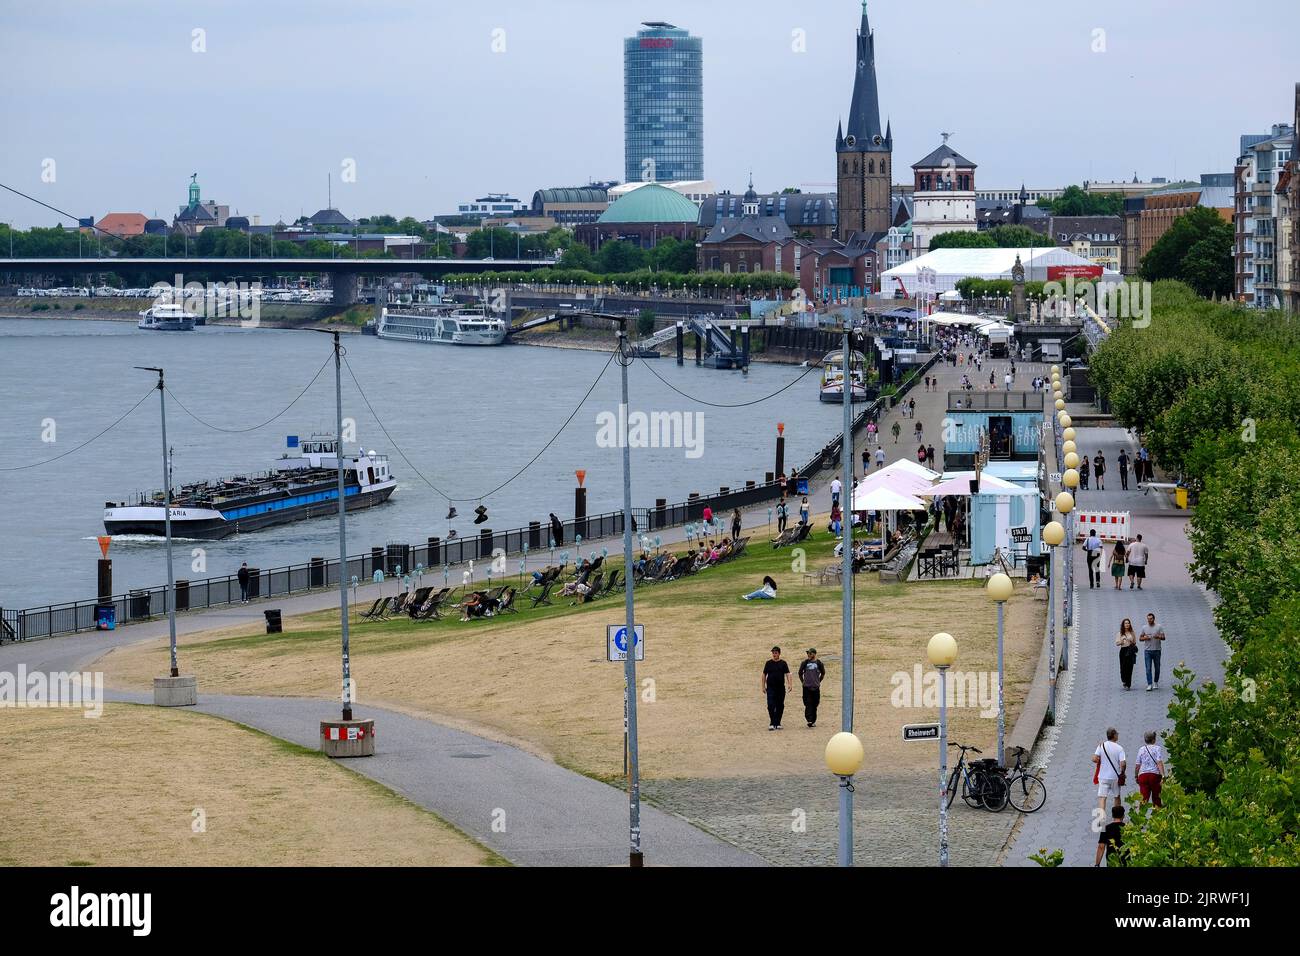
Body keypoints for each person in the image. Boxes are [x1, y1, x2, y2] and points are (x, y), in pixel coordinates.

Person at [1093, 727, 1126, 814]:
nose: (1118, 735)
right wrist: (1122, 772)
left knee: (1102, 797)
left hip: (1103, 776)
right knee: (1117, 796)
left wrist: (1099, 759)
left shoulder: (1101, 745)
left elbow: (1094, 758)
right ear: (1114, 735)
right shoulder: (1119, 748)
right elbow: (1123, 764)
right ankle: (1117, 816)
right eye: (1117, 734)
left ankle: (1100, 818)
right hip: (1115, 777)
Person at [761, 646, 791, 730]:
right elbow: (764, 674)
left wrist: (790, 684)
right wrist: (763, 686)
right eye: (773, 653)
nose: (774, 654)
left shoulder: (783, 663)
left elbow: (788, 674)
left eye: (776, 653)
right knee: (770, 705)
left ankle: (778, 722)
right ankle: (772, 722)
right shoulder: (768, 663)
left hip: (780, 688)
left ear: (779, 654)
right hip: (770, 688)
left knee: (780, 705)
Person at [1135, 731, 1166, 807]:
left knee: (1143, 798)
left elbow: (1137, 765)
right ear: (1154, 740)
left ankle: (1141, 815)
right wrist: (1163, 775)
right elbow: (1159, 762)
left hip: (1143, 776)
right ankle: (1157, 816)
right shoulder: (1157, 748)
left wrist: (1136, 776)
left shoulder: (1141, 749)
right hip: (1154, 776)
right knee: (1156, 798)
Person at [798, 648, 826, 728]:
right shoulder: (804, 663)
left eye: (810, 653)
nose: (808, 655)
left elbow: (823, 673)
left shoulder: (819, 663)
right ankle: (809, 720)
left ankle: (813, 720)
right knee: (808, 703)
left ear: (814, 654)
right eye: (808, 654)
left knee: (815, 703)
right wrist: (803, 682)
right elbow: (800, 673)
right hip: (806, 687)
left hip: (816, 687)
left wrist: (818, 681)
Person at [1139, 611, 1165, 690]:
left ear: (1154, 619)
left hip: (1157, 650)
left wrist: (1158, 636)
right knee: (1148, 668)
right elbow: (1140, 638)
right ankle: (1149, 684)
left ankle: (1156, 682)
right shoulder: (1144, 627)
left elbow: (1164, 637)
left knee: (1157, 668)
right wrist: (1145, 638)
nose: (1149, 620)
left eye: (1151, 619)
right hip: (1147, 651)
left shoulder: (1159, 626)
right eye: (1148, 619)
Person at [1116, 617, 1138, 690]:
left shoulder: (1132, 633)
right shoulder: (1120, 633)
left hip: (1130, 650)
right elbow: (1117, 643)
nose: (1127, 624)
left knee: (1130, 667)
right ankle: (1124, 680)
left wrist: (1131, 642)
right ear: (1123, 624)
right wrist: (1121, 642)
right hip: (1123, 651)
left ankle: (1128, 684)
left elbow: (1135, 642)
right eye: (1125, 623)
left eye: (1128, 623)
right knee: (1123, 667)